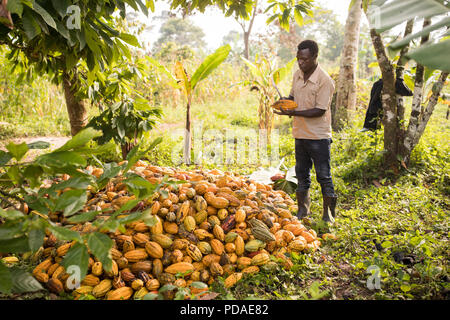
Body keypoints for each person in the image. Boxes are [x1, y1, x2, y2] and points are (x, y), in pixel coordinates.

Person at [274, 39, 337, 223]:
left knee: (323, 176)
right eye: (298, 59)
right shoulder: (297, 75)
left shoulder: (324, 81)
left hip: (318, 137)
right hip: (300, 134)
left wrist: (295, 112)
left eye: (305, 60)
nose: (301, 63)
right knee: (302, 174)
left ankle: (329, 216)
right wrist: (284, 103)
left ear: (315, 57)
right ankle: (303, 211)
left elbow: (320, 110)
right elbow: (293, 97)